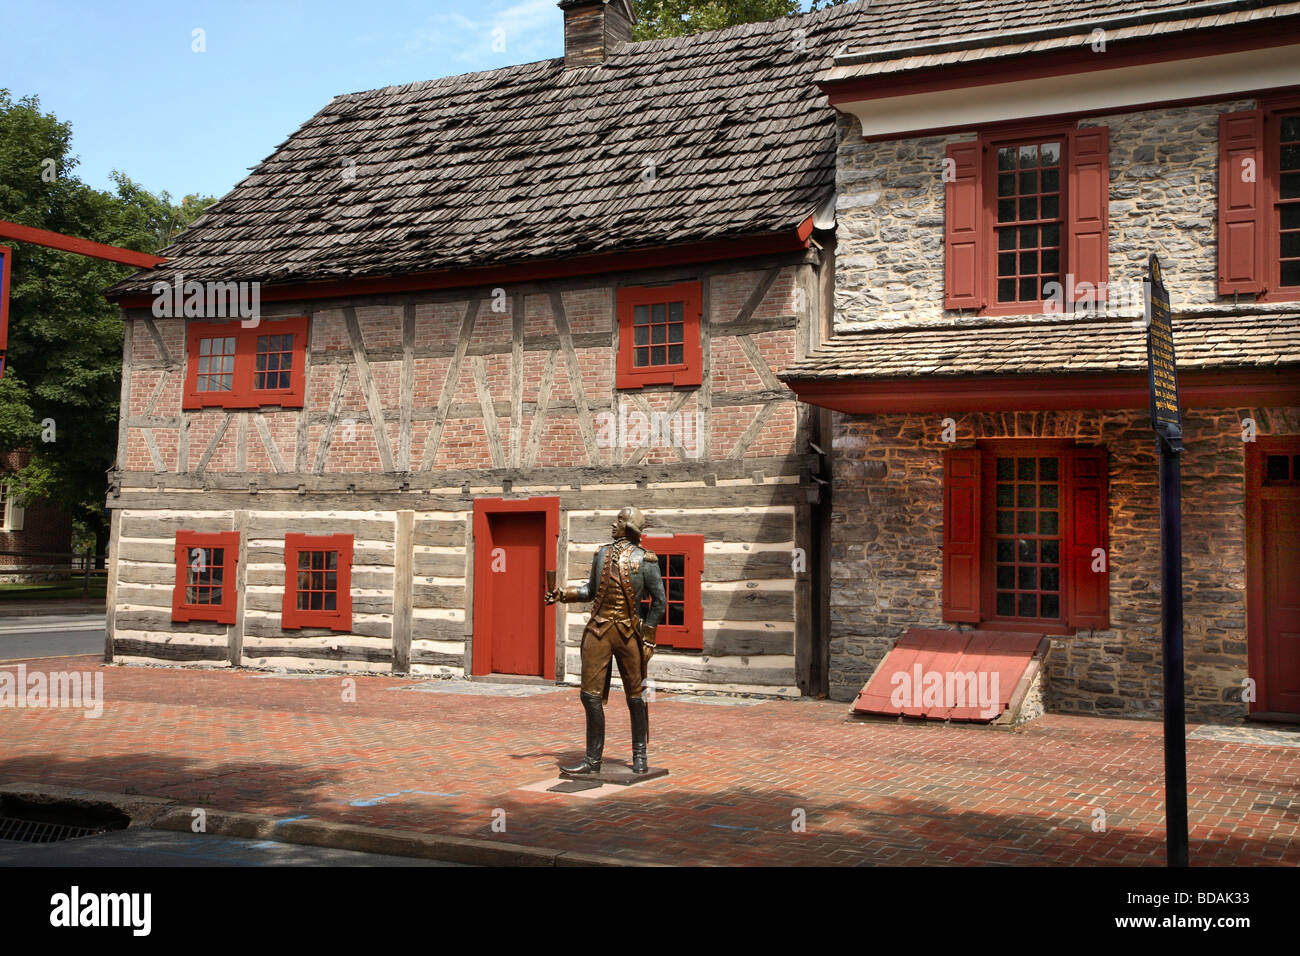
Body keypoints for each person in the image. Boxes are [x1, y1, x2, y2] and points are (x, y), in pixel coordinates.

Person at [544, 506, 665, 774]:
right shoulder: (601, 554)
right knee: (589, 696)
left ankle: (639, 755)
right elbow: (590, 590)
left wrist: (649, 639)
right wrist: (563, 593)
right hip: (599, 631)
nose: (614, 524)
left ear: (631, 527)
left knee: (636, 696)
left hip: (629, 634)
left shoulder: (647, 560)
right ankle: (592, 759)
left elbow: (659, 603)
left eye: (620, 520)